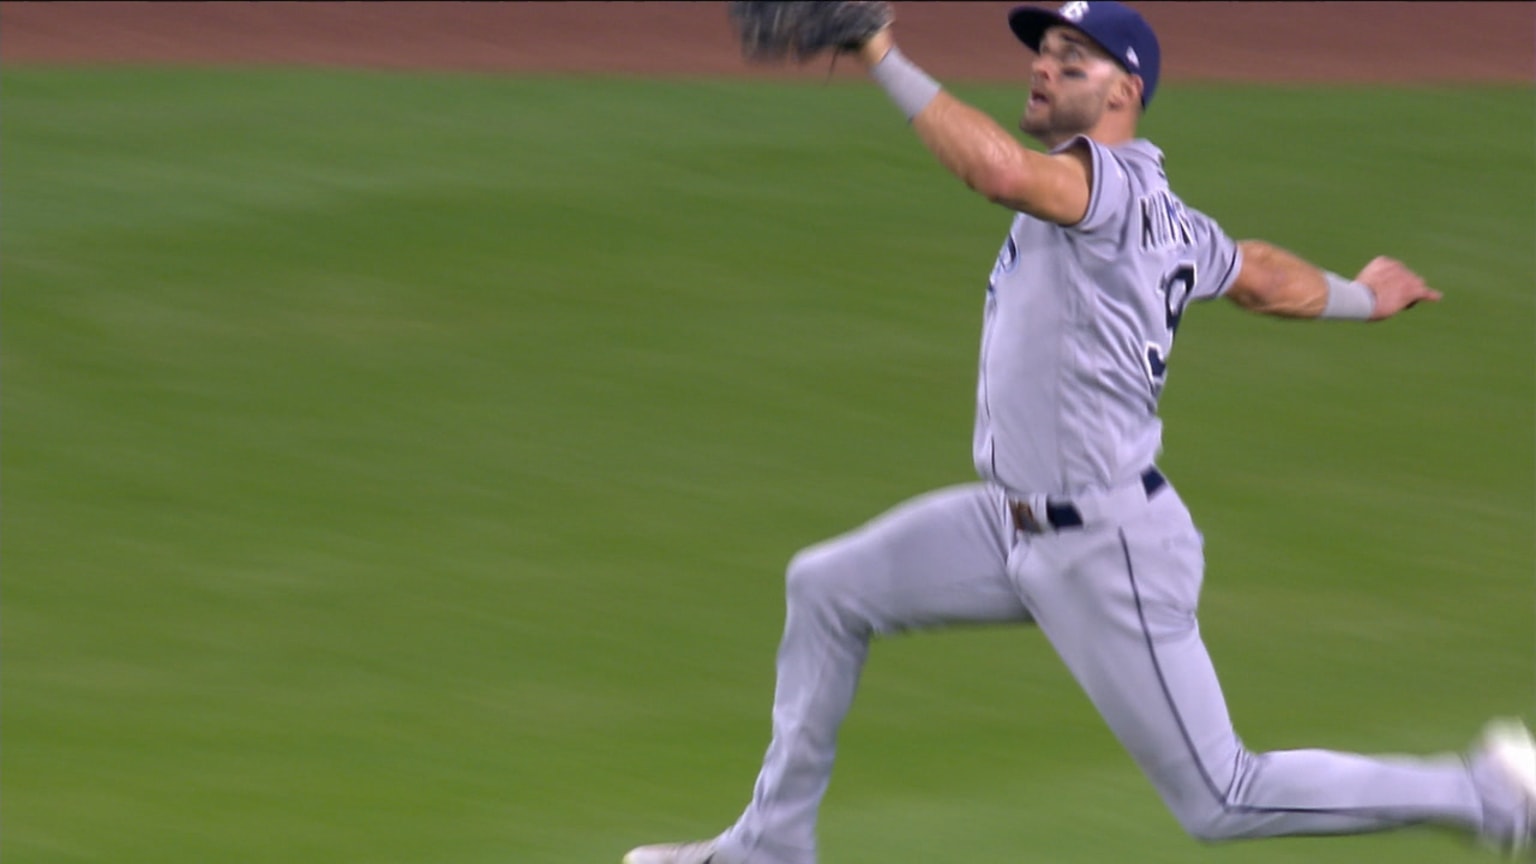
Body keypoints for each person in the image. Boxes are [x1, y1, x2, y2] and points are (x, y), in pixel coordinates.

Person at [624, 3, 1535, 862]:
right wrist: (1364, 297)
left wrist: (878, 51)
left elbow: (996, 172)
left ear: (1123, 92)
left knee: (1223, 797)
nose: (1044, 66)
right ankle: (770, 846)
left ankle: (1490, 796)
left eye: (1073, 59)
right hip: (1012, 524)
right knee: (827, 589)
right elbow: (1256, 273)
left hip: (1108, 546)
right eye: (1042, 52)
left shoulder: (1104, 194)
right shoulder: (1163, 215)